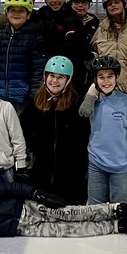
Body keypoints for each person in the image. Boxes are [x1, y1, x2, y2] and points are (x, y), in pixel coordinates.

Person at [20, 56, 90, 205]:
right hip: (41, 174)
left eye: (60, 77)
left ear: (68, 80)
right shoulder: (35, 104)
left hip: (70, 176)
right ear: (45, 76)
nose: (55, 81)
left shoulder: (75, 105)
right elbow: (23, 131)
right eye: (51, 76)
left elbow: (83, 139)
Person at [78, 56, 127, 204]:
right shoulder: (92, 100)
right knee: (95, 209)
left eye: (110, 76)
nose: (106, 81)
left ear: (117, 77)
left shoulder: (126, 100)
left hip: (122, 165)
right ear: (95, 79)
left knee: (122, 208)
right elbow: (83, 114)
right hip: (96, 163)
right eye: (101, 77)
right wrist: (90, 97)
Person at [0, 0, 46, 115]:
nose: (16, 14)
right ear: (7, 13)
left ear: (28, 15)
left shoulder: (36, 38)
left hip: (22, 102)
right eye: (12, 10)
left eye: (21, 11)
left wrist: (33, 97)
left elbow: (38, 72)